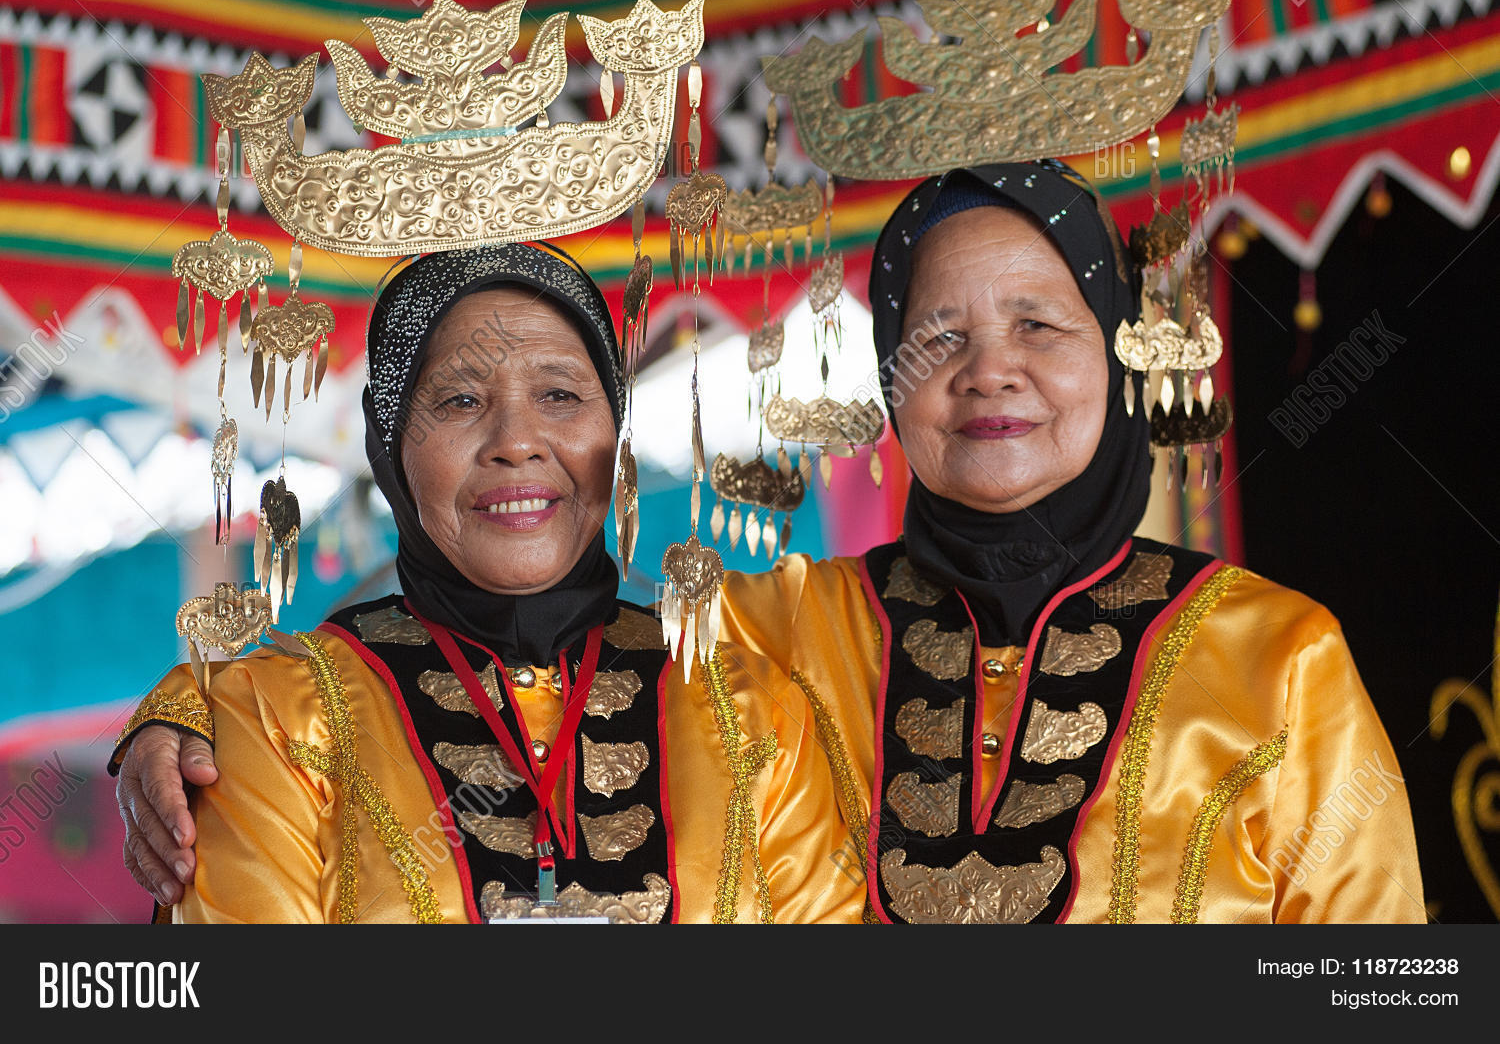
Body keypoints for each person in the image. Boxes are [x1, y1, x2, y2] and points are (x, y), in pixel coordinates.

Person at [119, 161, 1427, 923]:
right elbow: (516, 608)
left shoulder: (1285, 662)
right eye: (940, 335)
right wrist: (184, 717)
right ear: (886, 378)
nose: (992, 375)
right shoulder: (768, 638)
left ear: (1112, 351)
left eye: (1042, 323)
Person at [110, 241, 858, 923]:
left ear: (615, 425)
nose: (518, 442)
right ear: (391, 440)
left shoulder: (754, 711)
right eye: (461, 400)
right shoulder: (271, 719)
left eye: (561, 395)